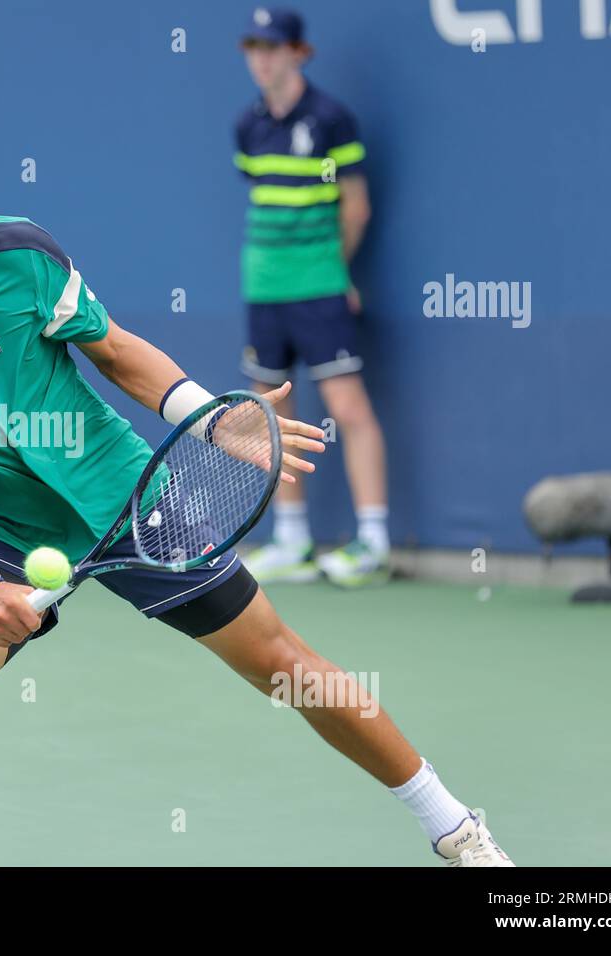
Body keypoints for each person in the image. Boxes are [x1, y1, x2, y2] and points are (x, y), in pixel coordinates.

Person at [0, 167, 512, 867]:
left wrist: (210, 421)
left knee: (282, 664)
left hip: (119, 492)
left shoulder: (23, 258)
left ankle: (454, 828)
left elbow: (114, 350)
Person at [234, 8, 391, 587]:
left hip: (320, 289)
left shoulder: (330, 120)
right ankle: (293, 539)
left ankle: (373, 541)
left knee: (349, 410)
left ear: (300, 53)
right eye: (254, 46)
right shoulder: (247, 127)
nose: (262, 57)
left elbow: (356, 207)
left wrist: (336, 270)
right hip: (263, 290)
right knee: (273, 417)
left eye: (273, 47)